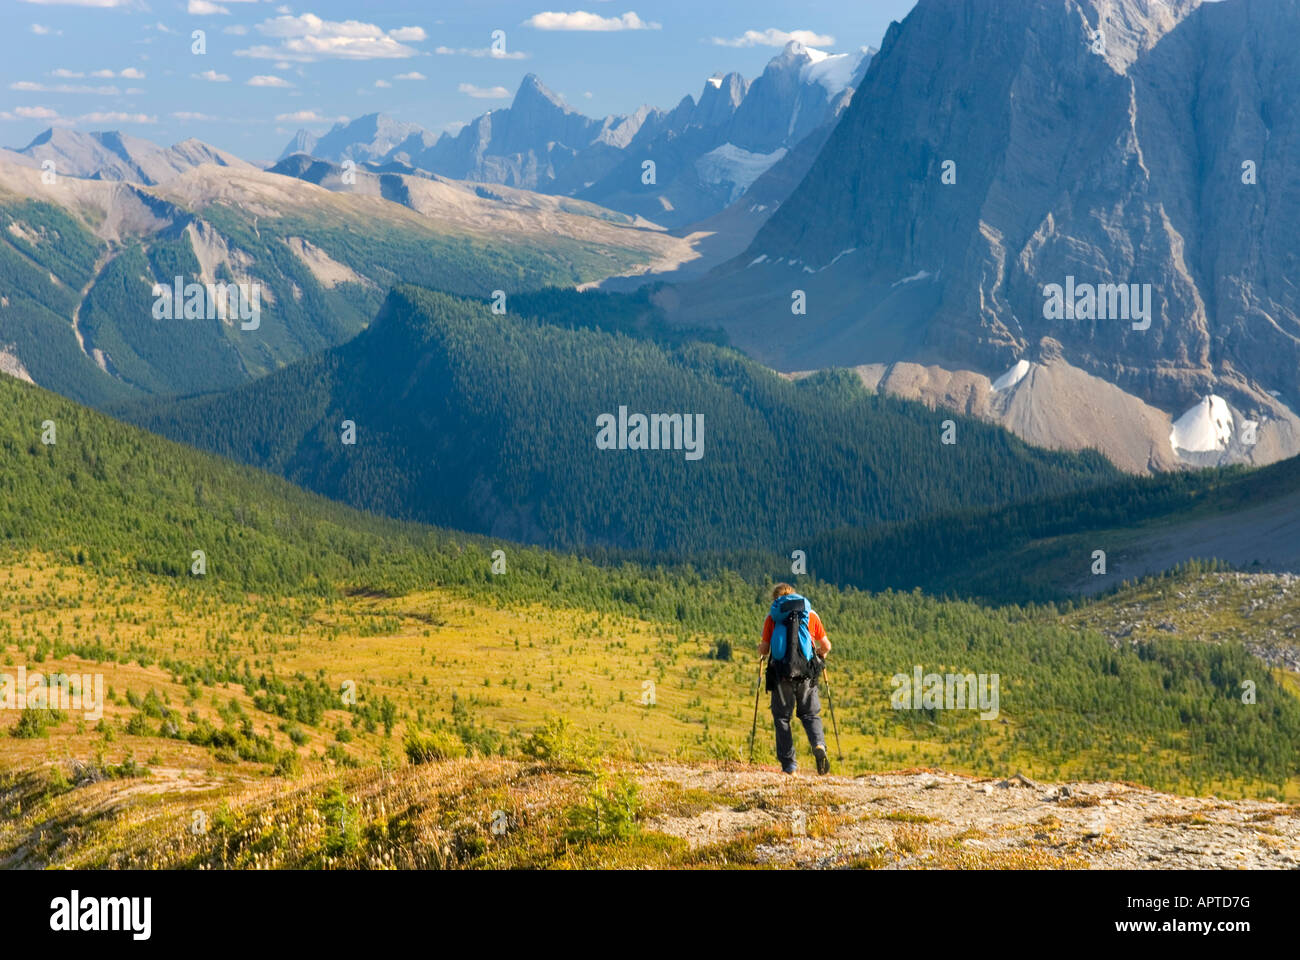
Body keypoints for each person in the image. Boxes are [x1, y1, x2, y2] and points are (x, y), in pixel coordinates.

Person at [759, 583, 831, 775]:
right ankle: (819, 745)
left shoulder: (772, 617)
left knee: (782, 717)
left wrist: (761, 651)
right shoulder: (810, 614)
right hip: (806, 674)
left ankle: (789, 764)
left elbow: (765, 648)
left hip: (782, 674)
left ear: (776, 599)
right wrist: (819, 655)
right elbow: (826, 645)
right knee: (810, 714)